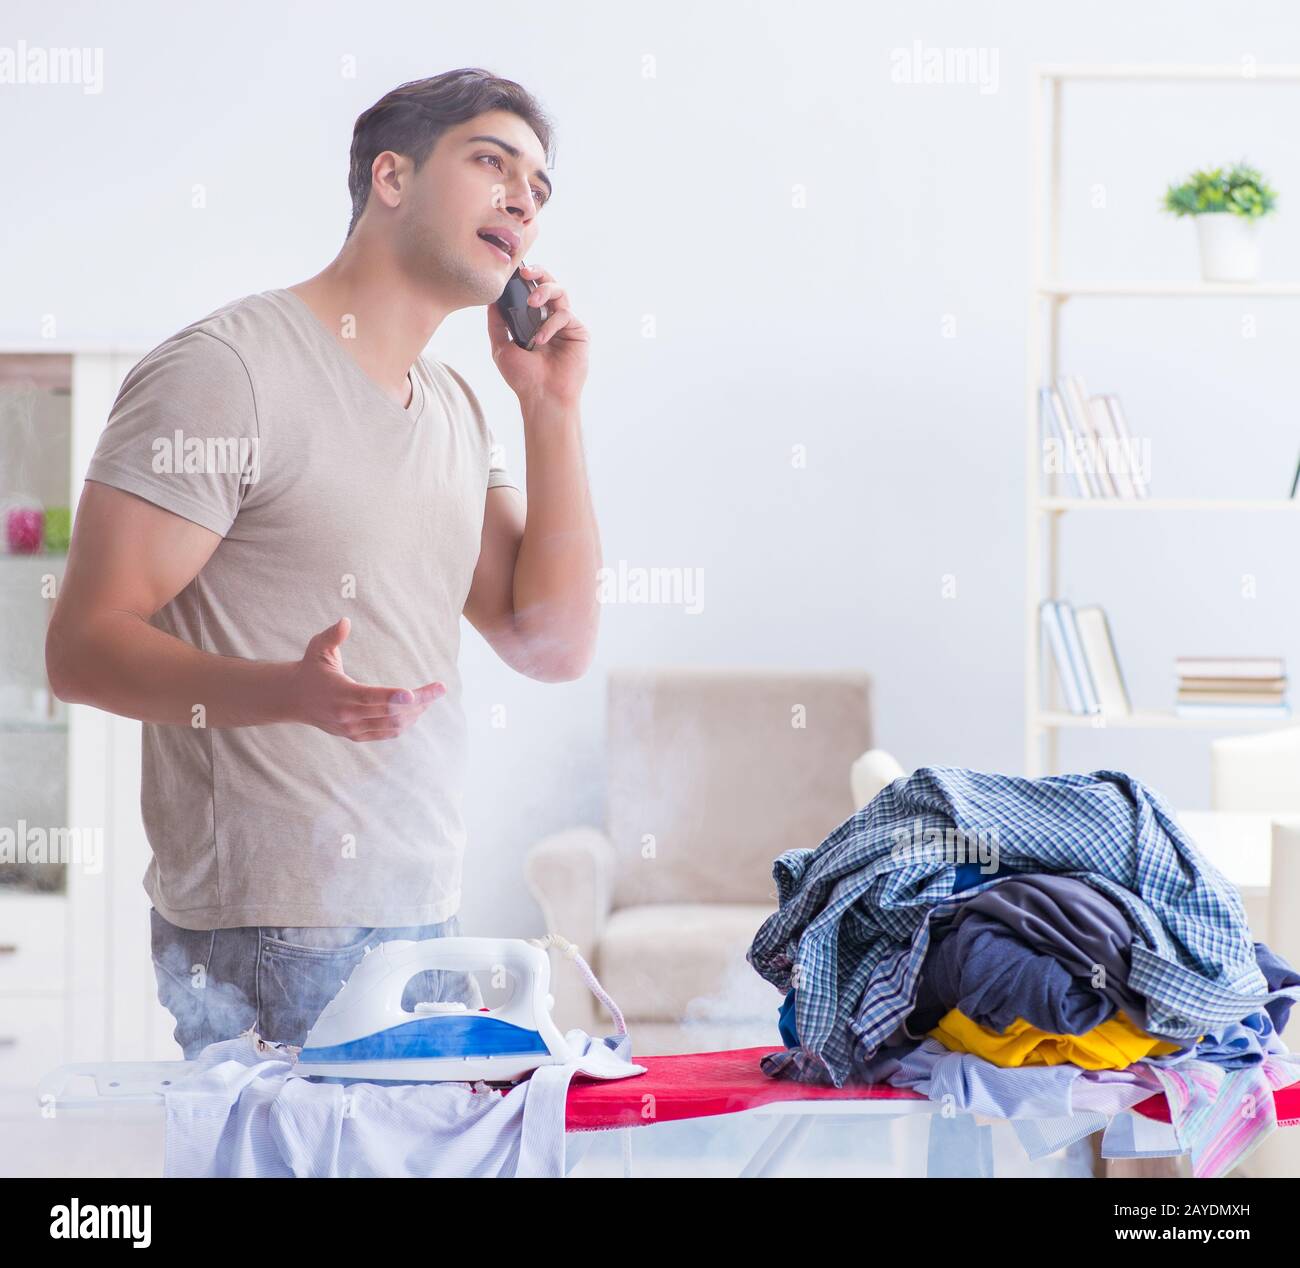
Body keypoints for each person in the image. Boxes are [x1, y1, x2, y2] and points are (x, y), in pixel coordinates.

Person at [44, 68, 599, 1057]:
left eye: (539, 188)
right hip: (274, 928)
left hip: (421, 905)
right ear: (392, 177)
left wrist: (551, 407)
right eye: (492, 162)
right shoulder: (228, 370)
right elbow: (82, 648)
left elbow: (549, 642)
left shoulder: (457, 408)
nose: (523, 199)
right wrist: (287, 694)